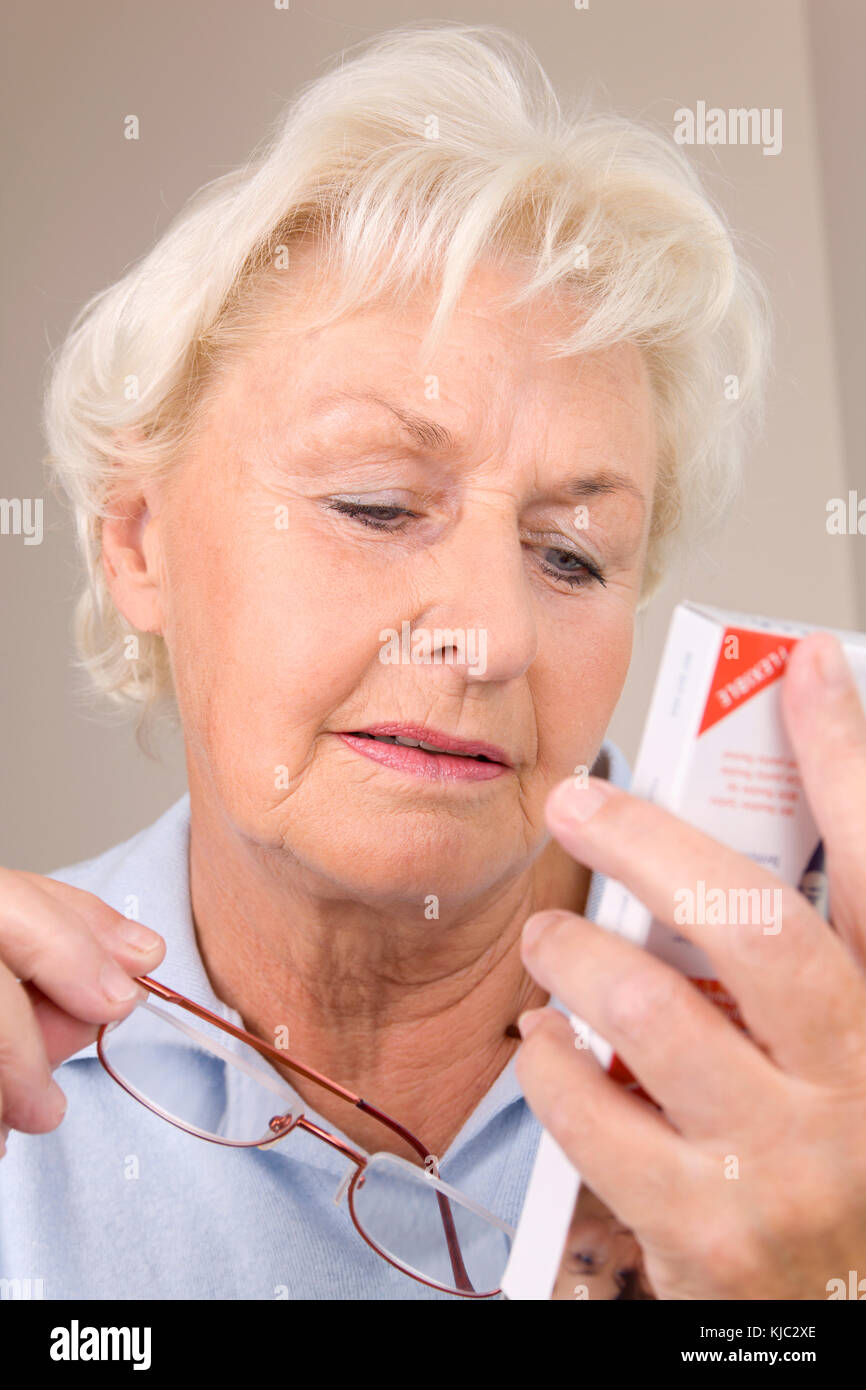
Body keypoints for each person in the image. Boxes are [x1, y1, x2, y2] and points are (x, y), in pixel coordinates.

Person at [3, 23, 864, 1301]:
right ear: (137, 543)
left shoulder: (826, 1086)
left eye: (570, 555)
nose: (494, 635)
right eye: (373, 504)